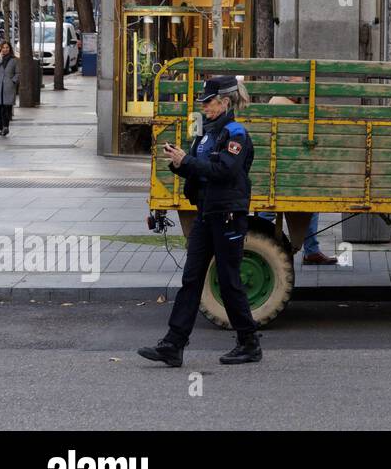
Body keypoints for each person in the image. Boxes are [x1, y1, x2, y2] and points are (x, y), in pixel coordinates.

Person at [139, 76, 262, 367]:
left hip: (228, 216)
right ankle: (173, 344)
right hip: (207, 214)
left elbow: (223, 172)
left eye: (208, 102)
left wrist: (189, 162)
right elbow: (198, 169)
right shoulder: (206, 134)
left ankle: (249, 343)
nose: (204, 107)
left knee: (230, 281)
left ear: (225, 102)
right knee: (191, 278)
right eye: (203, 103)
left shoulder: (236, 134)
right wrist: (179, 162)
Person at [264, 77, 337, 265]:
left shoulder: (277, 100)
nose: (300, 89)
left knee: (277, 209)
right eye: (296, 84)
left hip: (279, 169)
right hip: (284, 171)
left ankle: (309, 250)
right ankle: (308, 250)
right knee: (303, 205)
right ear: (286, 83)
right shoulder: (285, 104)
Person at [0, 41, 17, 136]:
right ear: (0, 49)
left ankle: (6, 127)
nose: (5, 49)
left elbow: (18, 73)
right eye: (3, 47)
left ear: (10, 49)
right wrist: (0, 60)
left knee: (6, 108)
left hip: (8, 87)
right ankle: (1, 128)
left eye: (7, 47)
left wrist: (13, 81)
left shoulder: (14, 60)